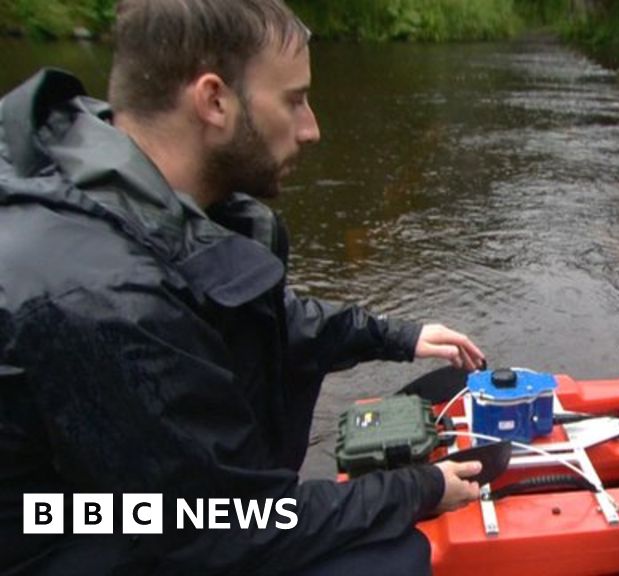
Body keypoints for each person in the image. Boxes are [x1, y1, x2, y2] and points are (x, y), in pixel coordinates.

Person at [0, 0, 487, 574]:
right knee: (397, 556)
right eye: (294, 100)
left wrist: (398, 336)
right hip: (64, 531)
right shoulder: (107, 295)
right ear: (213, 101)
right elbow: (227, 524)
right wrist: (419, 489)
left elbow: (256, 315)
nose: (312, 128)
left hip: (111, 505)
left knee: (448, 381)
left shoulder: (119, 185)